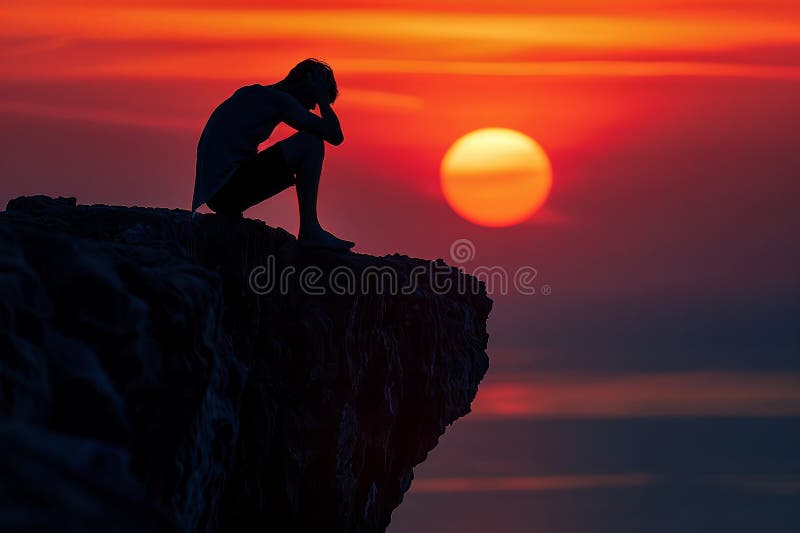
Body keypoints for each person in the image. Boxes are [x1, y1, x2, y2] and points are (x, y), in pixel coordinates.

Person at [192, 58, 354, 251]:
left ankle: (309, 229)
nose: (309, 109)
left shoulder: (255, 93)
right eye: (312, 102)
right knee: (312, 142)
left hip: (218, 194)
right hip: (226, 192)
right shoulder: (279, 100)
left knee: (309, 140)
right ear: (305, 84)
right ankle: (310, 229)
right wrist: (323, 101)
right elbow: (335, 136)